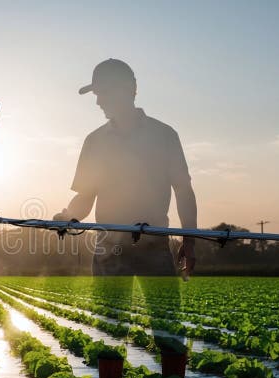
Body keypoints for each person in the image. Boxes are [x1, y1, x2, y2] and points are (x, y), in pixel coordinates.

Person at [54, 59, 198, 277]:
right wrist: (69, 216)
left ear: (128, 89)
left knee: (163, 312)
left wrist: (190, 242)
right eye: (97, 95)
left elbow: (183, 190)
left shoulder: (164, 136)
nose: (98, 102)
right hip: (108, 250)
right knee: (107, 312)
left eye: (103, 93)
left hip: (154, 249)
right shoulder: (94, 141)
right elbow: (86, 196)